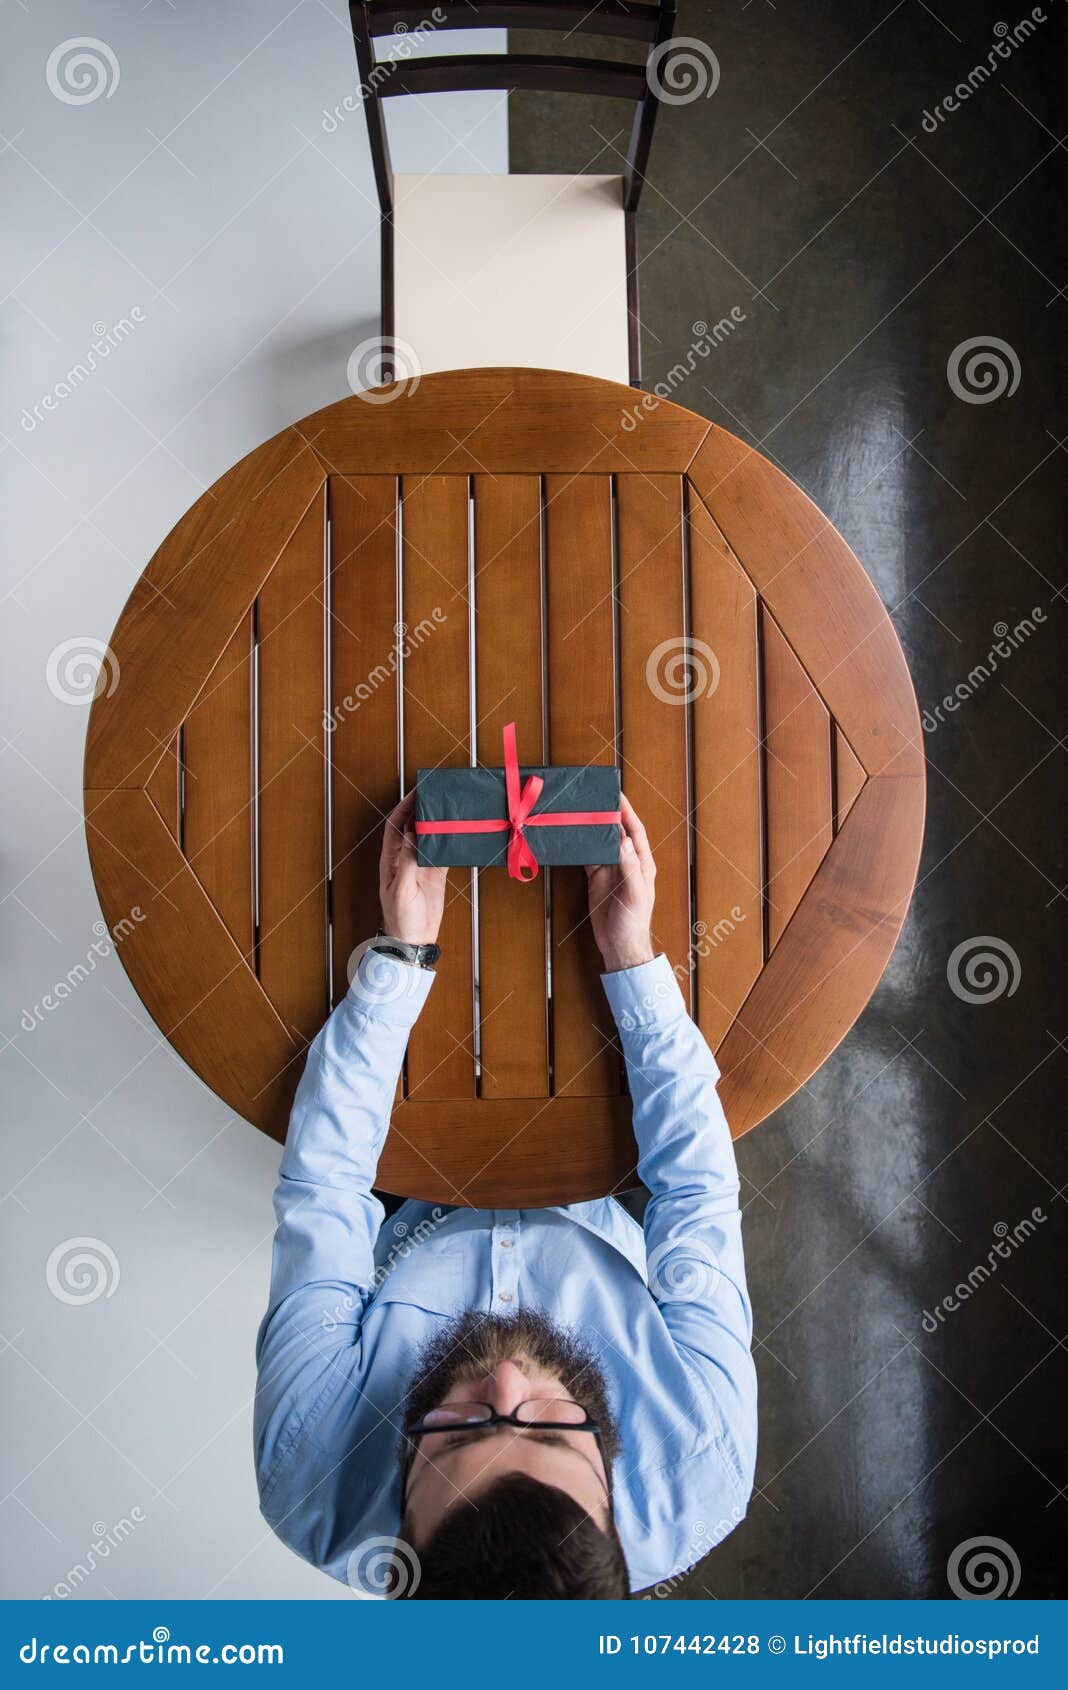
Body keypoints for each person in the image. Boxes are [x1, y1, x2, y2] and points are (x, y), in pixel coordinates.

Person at [254, 794, 757, 1598]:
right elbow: (696, 1191)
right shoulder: (703, 1460)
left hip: (409, 1196)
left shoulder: (308, 1469)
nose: (509, 1383)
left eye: (456, 1435)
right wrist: (630, 956)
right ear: (614, 1502)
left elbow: (325, 1183)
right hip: (604, 1195)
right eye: (555, 1433)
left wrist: (402, 957)